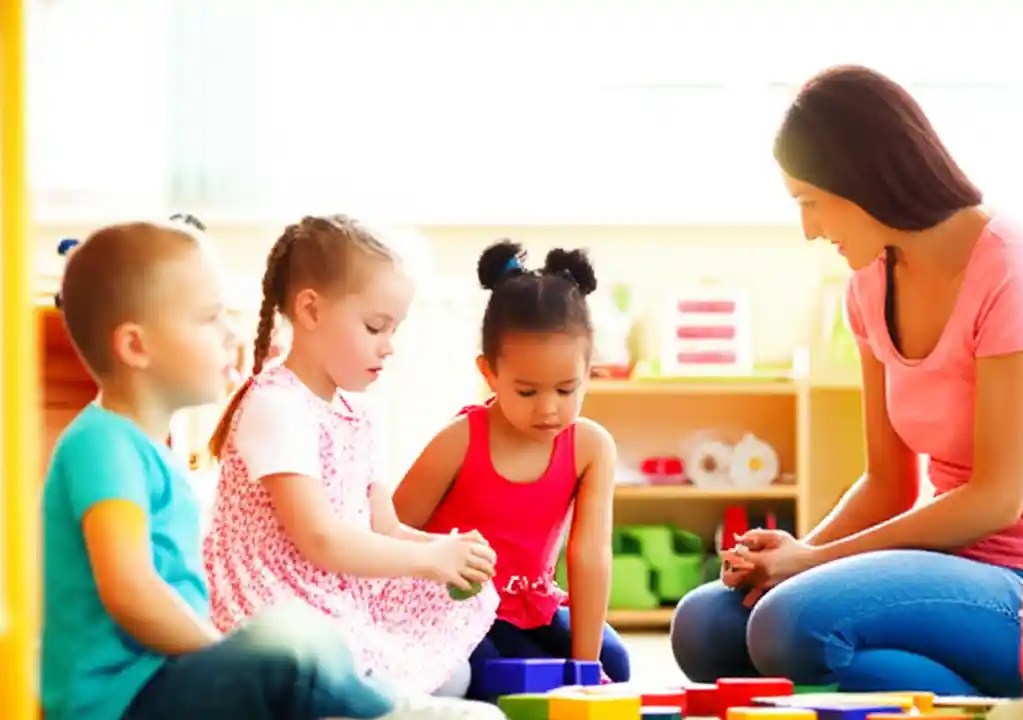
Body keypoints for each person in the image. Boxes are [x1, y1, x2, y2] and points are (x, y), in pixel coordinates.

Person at [669, 64, 1023, 697]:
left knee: (788, 625)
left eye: (810, 202)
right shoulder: (868, 285)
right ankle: (920, 693)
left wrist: (813, 566)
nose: (808, 230)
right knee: (707, 625)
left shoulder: (1016, 270)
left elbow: (996, 499)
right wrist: (790, 557)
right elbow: (888, 482)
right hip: (943, 572)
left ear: (860, 180)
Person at [41, 220, 398, 720]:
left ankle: (377, 705)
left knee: (303, 631)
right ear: (136, 347)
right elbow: (130, 589)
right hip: (116, 701)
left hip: (156, 682)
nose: (231, 334)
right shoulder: (103, 446)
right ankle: (396, 713)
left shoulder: (142, 447)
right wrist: (223, 655)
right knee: (286, 648)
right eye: (210, 318)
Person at [203, 215, 499, 707]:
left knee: (454, 667)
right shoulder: (277, 404)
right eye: (374, 327)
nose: (389, 345)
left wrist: (447, 550)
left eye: (393, 329)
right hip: (278, 606)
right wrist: (428, 560)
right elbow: (320, 539)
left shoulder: (356, 413)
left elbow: (384, 528)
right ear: (311, 310)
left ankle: (372, 698)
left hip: (337, 590)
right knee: (398, 674)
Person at [394, 240, 630, 700]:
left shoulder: (590, 447)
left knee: (612, 662)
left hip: (532, 608)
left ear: (588, 372)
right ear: (490, 373)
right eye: (526, 392)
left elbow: (589, 556)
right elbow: (390, 532)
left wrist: (586, 668)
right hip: (453, 611)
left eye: (566, 390)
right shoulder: (459, 439)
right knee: (492, 679)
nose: (548, 410)